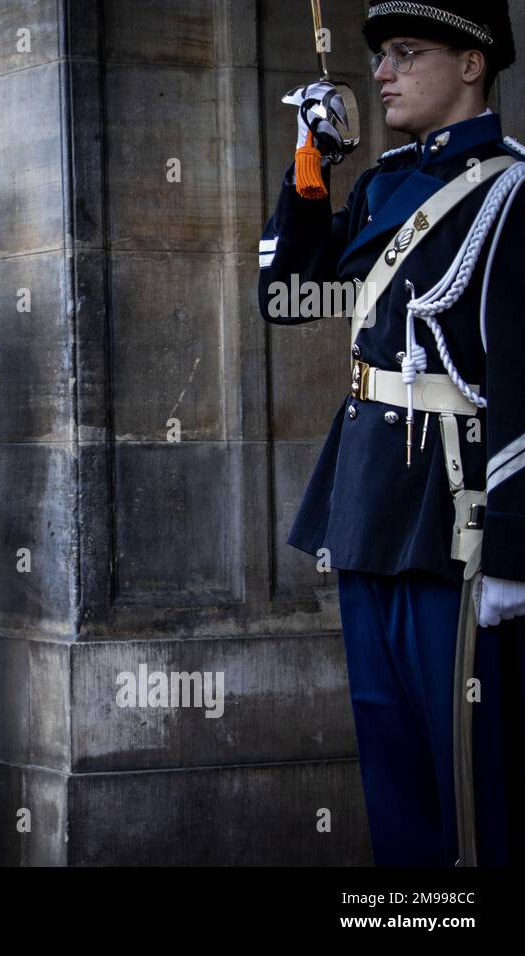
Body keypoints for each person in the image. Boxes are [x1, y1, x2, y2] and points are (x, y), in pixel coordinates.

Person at [257, 0, 525, 865]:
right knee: (391, 761)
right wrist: (312, 163)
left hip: (454, 514)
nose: (381, 73)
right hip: (370, 497)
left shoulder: (512, 191)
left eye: (406, 53)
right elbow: (284, 293)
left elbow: (520, 376)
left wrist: (513, 550)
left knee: (470, 773)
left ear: (472, 63)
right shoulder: (384, 184)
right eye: (380, 55)